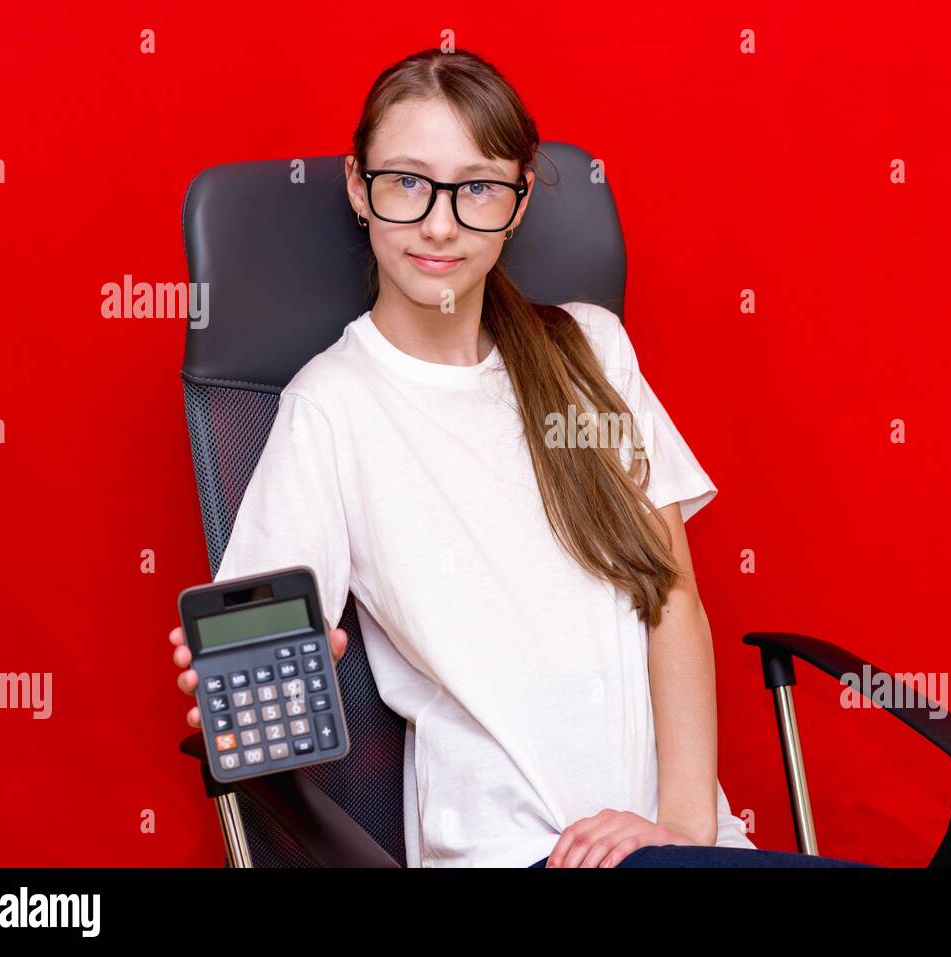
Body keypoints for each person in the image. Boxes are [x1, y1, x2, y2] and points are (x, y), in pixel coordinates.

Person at [169, 47, 869, 870]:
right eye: (406, 182)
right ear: (359, 188)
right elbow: (258, 680)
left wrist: (682, 823)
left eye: (477, 189)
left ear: (519, 199)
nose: (439, 224)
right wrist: (274, 683)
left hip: (677, 843)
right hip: (511, 853)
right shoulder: (332, 406)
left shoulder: (590, 350)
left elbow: (671, 594)